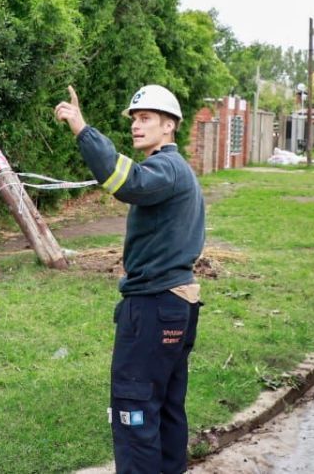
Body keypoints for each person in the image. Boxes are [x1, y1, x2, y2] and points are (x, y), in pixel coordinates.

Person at [54, 84, 205, 474]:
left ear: (169, 126)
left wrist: (82, 129)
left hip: (154, 307)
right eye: (135, 119)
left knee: (134, 407)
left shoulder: (166, 168)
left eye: (146, 119)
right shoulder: (177, 169)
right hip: (176, 305)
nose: (137, 126)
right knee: (167, 408)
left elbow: (127, 182)